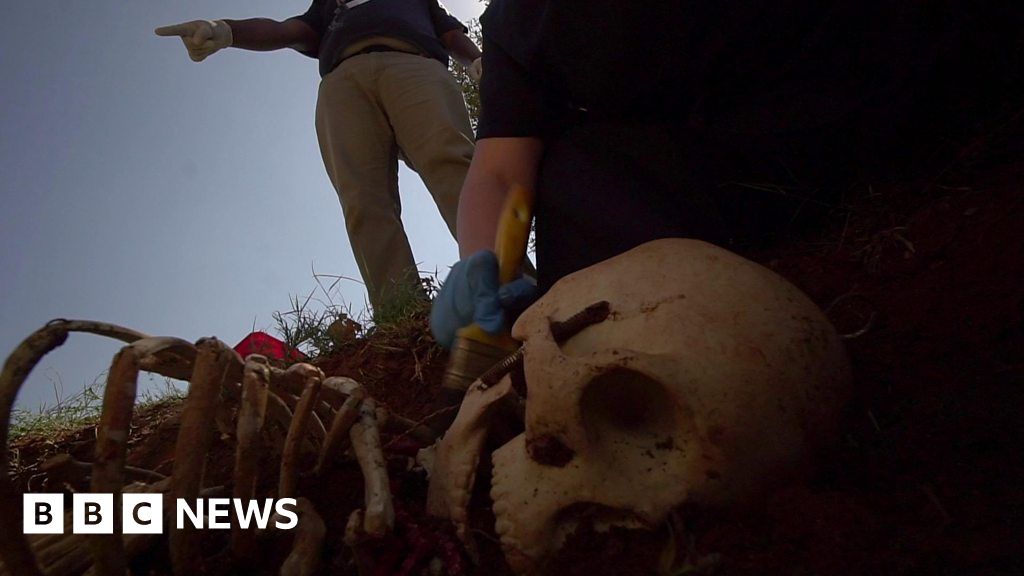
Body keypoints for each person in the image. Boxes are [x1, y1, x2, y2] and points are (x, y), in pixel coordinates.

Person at [431, 1, 1023, 347]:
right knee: (576, 174)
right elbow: (504, 165)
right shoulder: (520, 22)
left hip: (891, 87)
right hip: (720, 180)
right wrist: (480, 265)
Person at [156, 0, 483, 310]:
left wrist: (479, 62)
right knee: (362, 200)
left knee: (453, 164)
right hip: (343, 80)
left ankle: (506, 283)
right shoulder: (329, 4)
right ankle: (401, 312)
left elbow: (451, 33)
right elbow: (286, 31)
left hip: (415, 65)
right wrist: (224, 30)